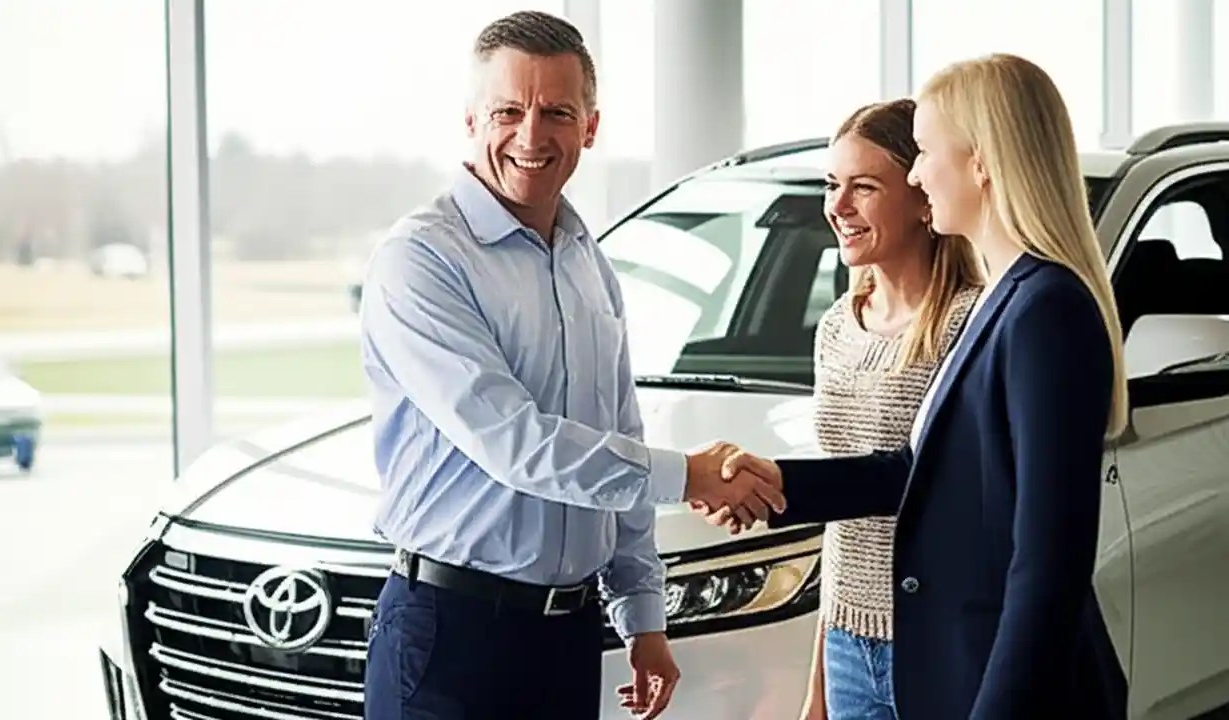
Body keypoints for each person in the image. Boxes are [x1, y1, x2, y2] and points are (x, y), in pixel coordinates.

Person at [357, 11, 784, 720]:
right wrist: (693, 474)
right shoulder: (422, 260)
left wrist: (642, 613)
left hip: (566, 641)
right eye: (508, 111)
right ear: (470, 119)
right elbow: (515, 442)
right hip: (449, 638)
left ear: (589, 126)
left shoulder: (586, 259)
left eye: (556, 112)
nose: (531, 135)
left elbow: (617, 424)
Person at [706, 53, 1130, 719]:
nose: (920, 173)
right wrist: (776, 485)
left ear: (982, 161)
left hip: (983, 676)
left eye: (926, 152)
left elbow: (1048, 567)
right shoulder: (1011, 300)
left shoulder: (1045, 308)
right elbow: (920, 472)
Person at [790, 98, 983, 720]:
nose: (837, 207)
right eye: (831, 185)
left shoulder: (972, 323)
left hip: (939, 641)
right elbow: (840, 523)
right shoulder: (836, 329)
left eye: (863, 187)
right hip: (847, 643)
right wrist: (817, 683)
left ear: (923, 196)